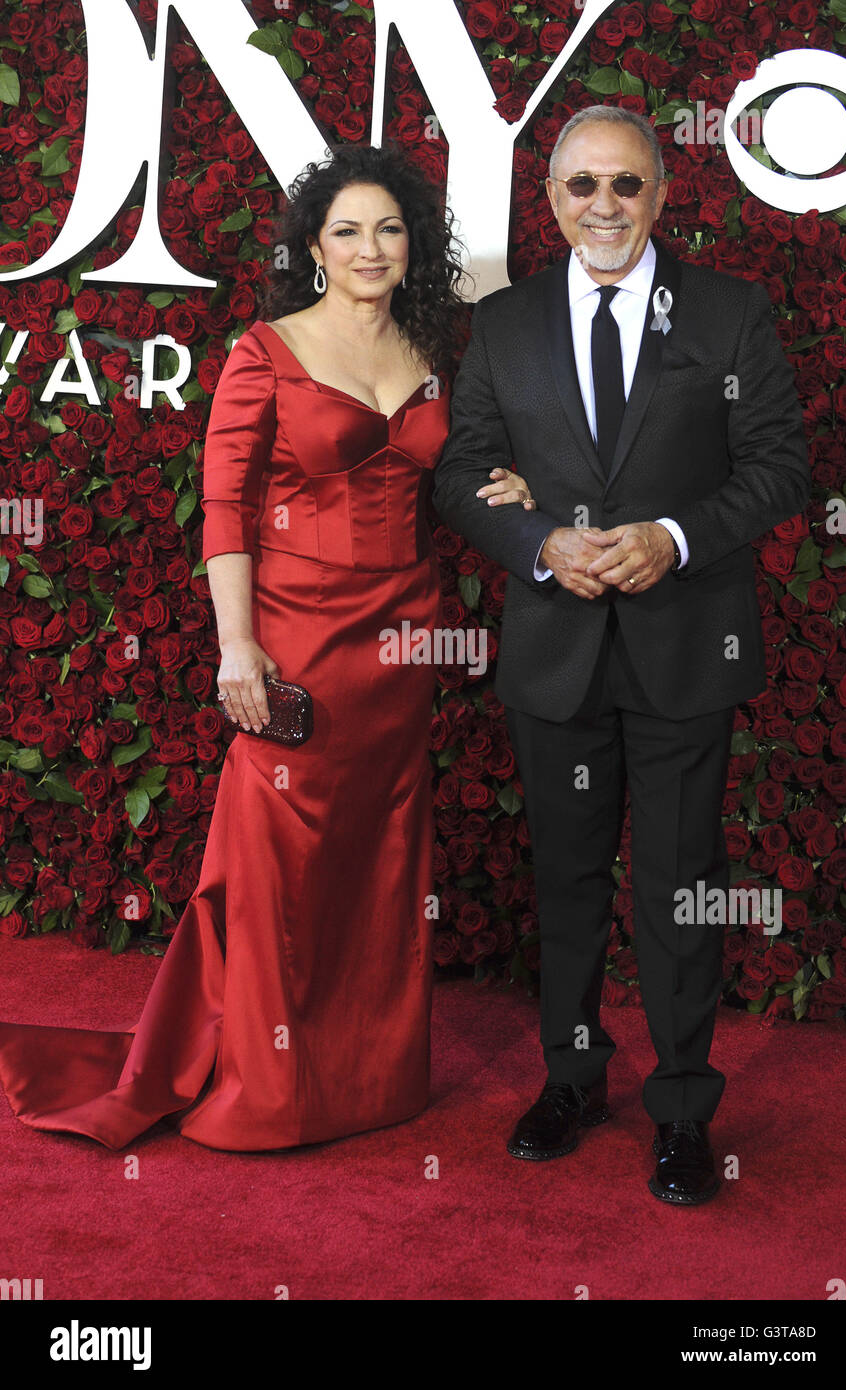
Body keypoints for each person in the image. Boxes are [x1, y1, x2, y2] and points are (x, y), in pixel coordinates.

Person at [0, 143, 533, 1152]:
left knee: (378, 858)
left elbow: (444, 481)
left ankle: (367, 1078)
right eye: (347, 231)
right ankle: (267, 1080)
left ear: (412, 241)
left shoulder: (430, 355)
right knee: (278, 857)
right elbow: (225, 507)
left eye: (388, 228)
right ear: (313, 249)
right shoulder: (266, 351)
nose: (370, 248)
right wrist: (236, 647)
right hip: (295, 635)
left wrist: (505, 489)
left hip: (403, 638)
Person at [432, 106, 810, 1204]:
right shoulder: (501, 325)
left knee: (680, 884)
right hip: (555, 646)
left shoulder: (730, 316)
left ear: (660, 194)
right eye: (580, 186)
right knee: (563, 880)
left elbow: (780, 466)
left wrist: (671, 538)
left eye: (625, 186)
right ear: (549, 199)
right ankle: (572, 1078)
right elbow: (460, 474)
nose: (602, 205)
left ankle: (683, 1104)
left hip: (685, 644)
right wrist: (538, 540)